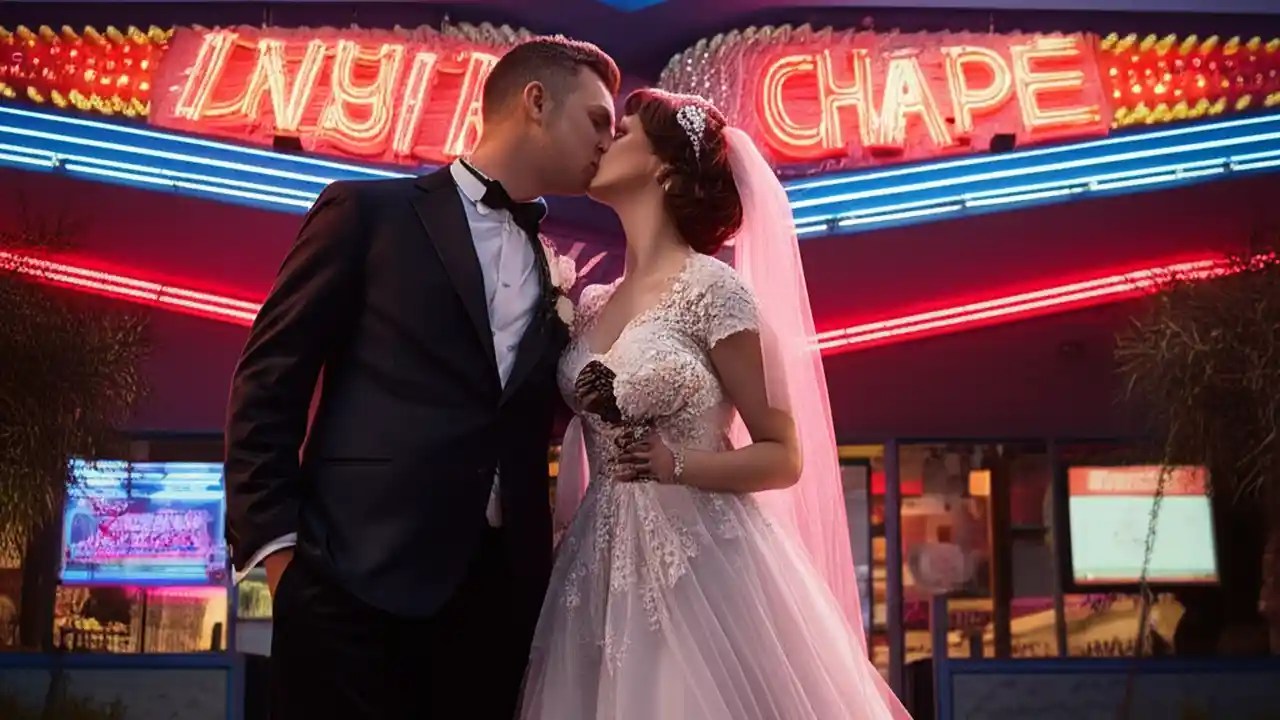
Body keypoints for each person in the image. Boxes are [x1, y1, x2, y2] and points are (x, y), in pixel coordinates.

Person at [223, 36, 620, 719]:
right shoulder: (368, 214)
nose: (607, 145)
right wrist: (279, 557)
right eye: (597, 121)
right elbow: (268, 380)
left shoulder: (555, 266)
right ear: (535, 101)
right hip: (350, 587)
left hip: (500, 603)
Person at [518, 89, 915, 719]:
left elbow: (782, 455)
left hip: (701, 563)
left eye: (620, 133)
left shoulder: (714, 289)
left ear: (663, 169)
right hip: (596, 562)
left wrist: (679, 464)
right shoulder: (591, 302)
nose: (602, 142)